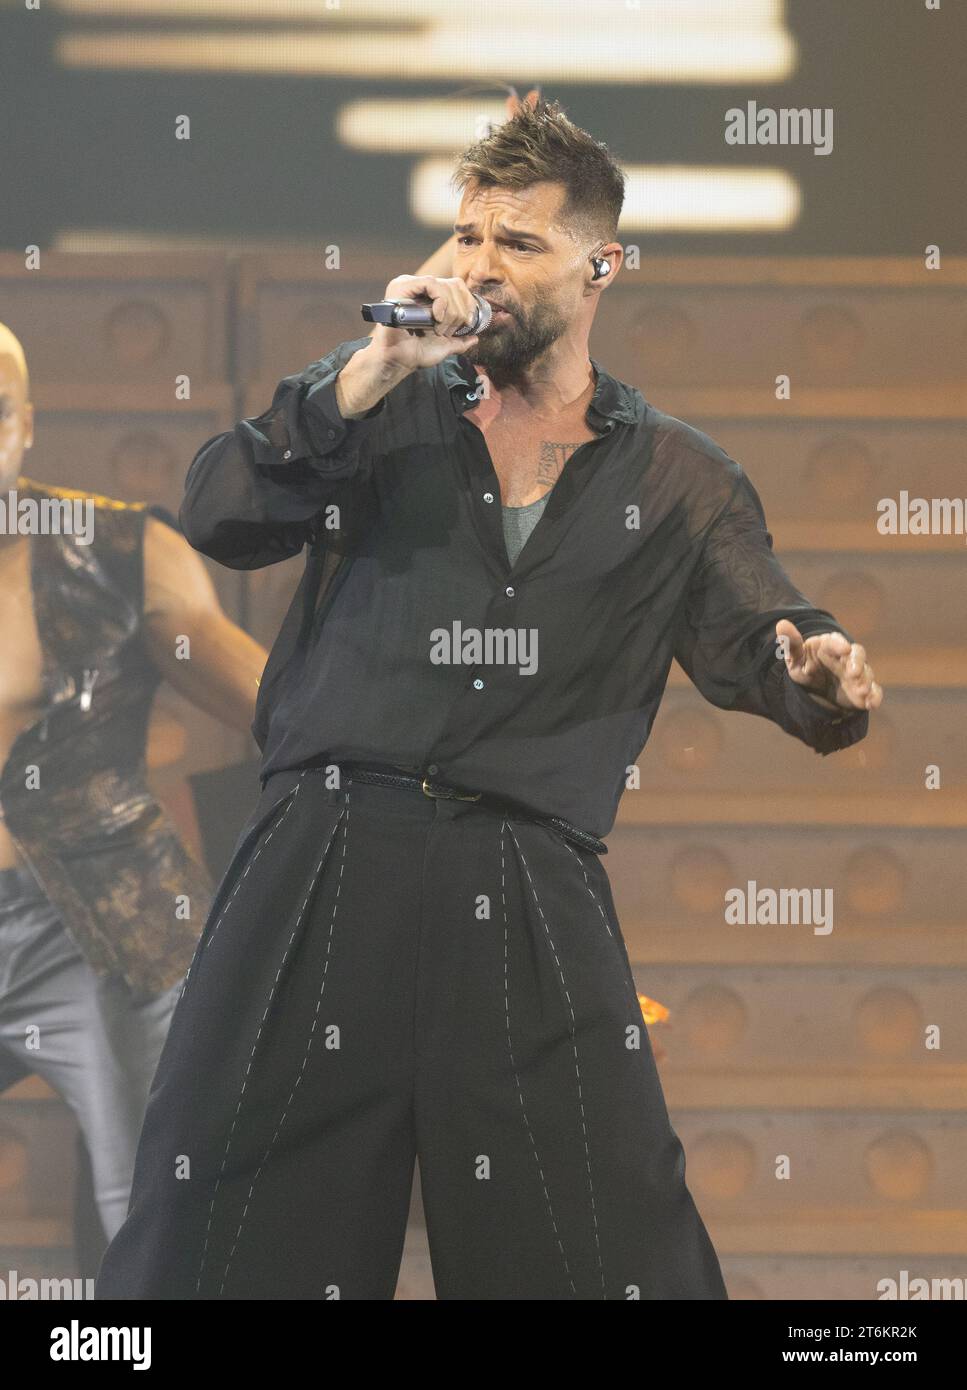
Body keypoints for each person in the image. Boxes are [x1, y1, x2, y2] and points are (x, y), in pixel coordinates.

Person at [95, 96, 881, 1301]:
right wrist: (360, 375)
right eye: (467, 236)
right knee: (219, 1243)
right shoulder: (377, 409)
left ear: (603, 265)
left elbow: (760, 637)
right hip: (326, 859)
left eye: (517, 242)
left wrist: (817, 663)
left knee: (603, 1252)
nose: (478, 265)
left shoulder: (678, 478)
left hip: (524, 886)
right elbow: (217, 510)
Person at [0, 322, 267, 1251]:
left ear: (26, 426)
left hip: (98, 918)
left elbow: (279, 709)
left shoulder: (118, 549)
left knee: (152, 1218)